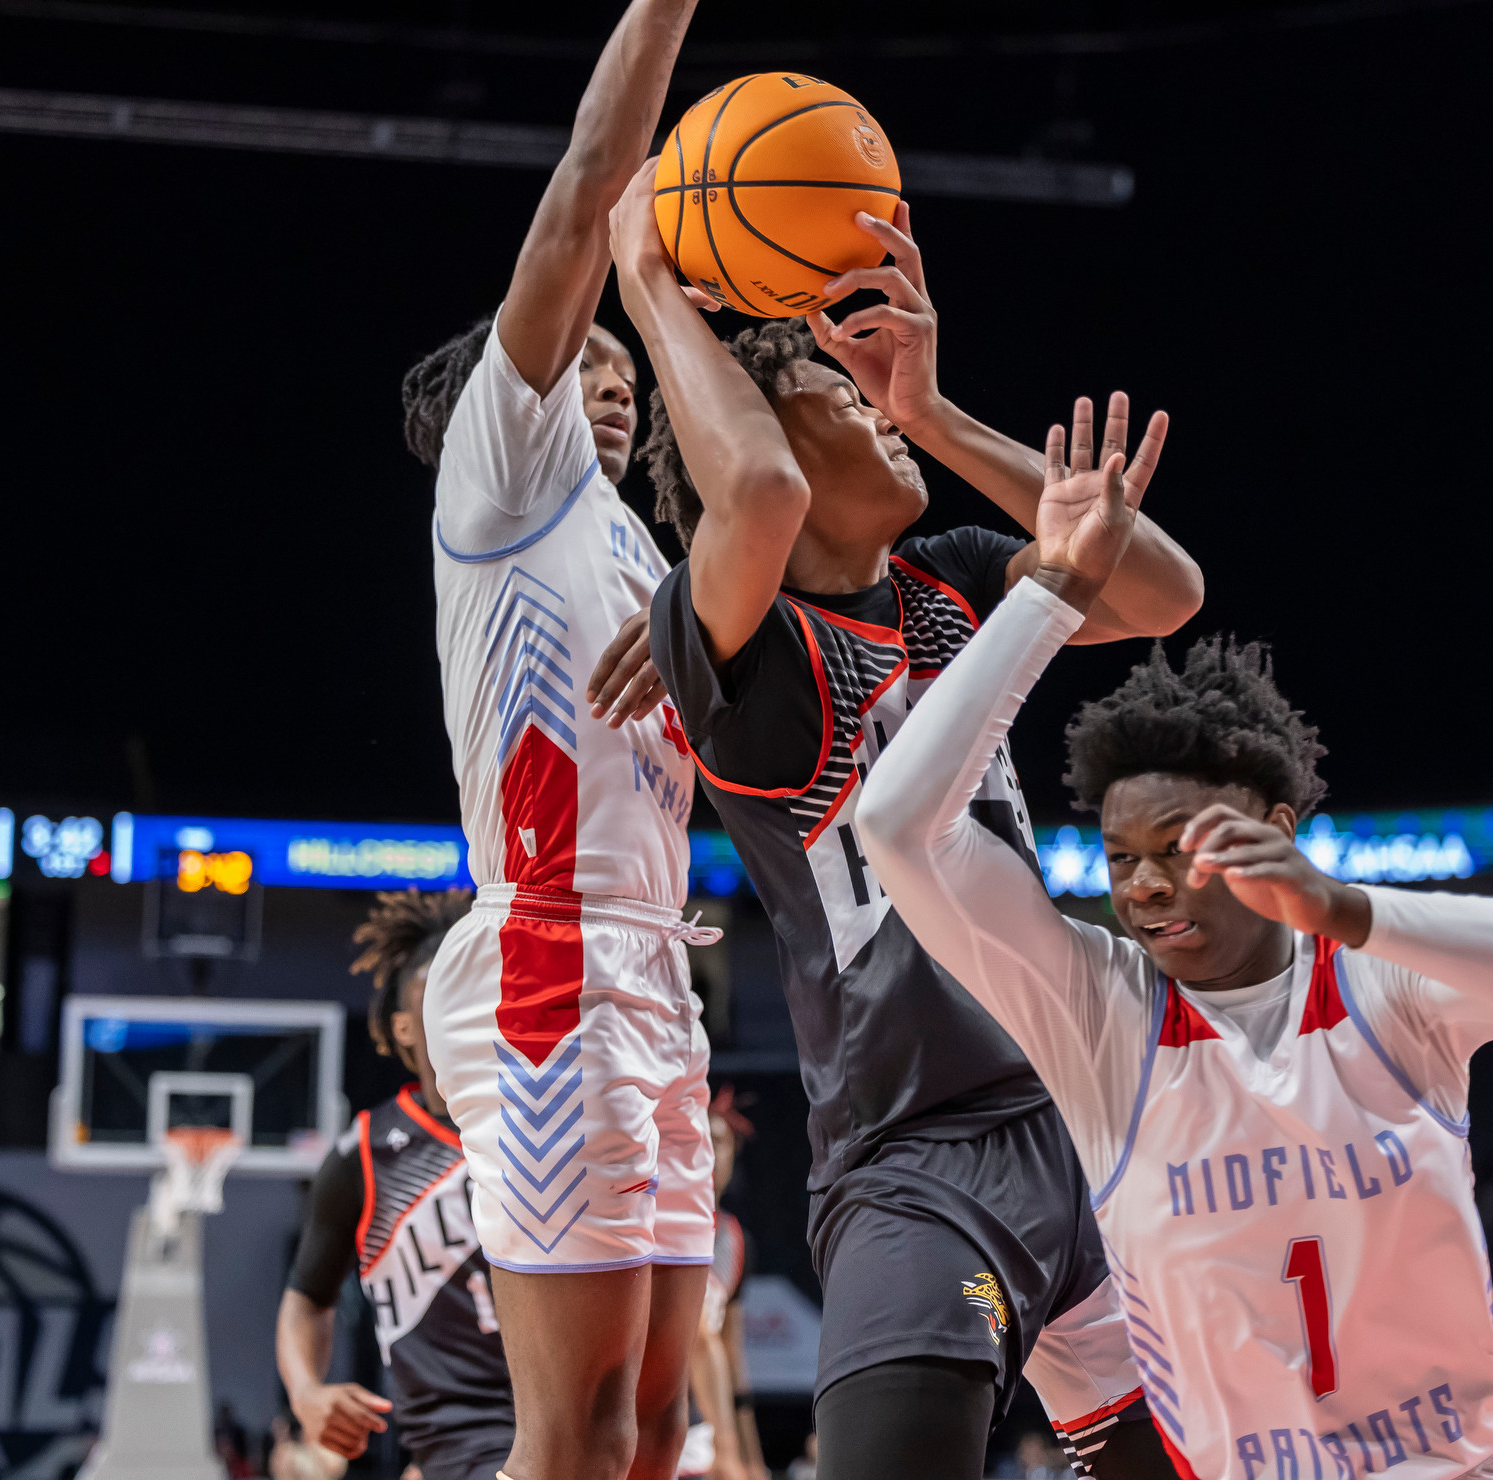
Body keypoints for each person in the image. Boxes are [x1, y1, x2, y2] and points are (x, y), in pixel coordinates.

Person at [849, 438, 1493, 1480]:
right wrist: (1047, 590)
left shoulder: (1377, 979)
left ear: (1271, 827)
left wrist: (1344, 907)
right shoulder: (1100, 1008)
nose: (1143, 887)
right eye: (1121, 860)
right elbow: (897, 823)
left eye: (1176, 850)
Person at [616, 149, 1203, 1478]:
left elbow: (1162, 595)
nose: (874, 407)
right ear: (764, 435)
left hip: (1079, 1120)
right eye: (843, 389)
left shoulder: (942, 578)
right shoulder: (743, 647)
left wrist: (931, 413)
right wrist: (651, 288)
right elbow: (753, 495)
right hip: (918, 1156)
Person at [397, 4, 719, 1480]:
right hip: (549, 959)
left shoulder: (641, 552)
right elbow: (586, 190)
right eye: (581, 350)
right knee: (573, 1435)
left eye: (622, 364)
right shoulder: (506, 481)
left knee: (658, 1428)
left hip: (655, 963)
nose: (610, 370)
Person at [278, 889, 516, 1480]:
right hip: (457, 1439)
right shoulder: (364, 1150)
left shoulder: (545, 1122)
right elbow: (307, 1300)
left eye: (474, 989)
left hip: (565, 1420)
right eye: (439, 993)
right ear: (404, 1026)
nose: (460, 1005)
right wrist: (307, 1393)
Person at [681, 1088, 767, 1480]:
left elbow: (730, 1359)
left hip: (701, 1424)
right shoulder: (663, 1225)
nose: (711, 1154)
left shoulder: (735, 1238)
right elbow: (699, 1339)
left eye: (720, 1142)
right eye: (701, 1140)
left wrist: (751, 1461)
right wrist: (729, 1452)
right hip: (656, 1413)